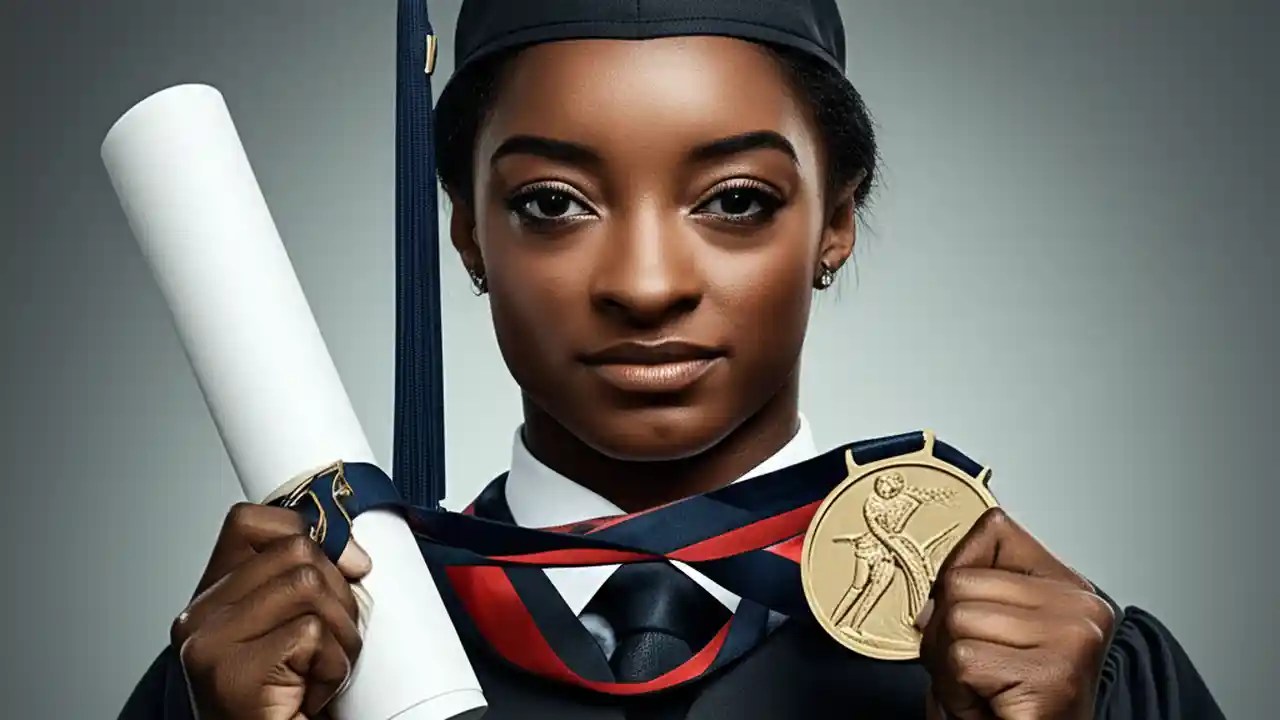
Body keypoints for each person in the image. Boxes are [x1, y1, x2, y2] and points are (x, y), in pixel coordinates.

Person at [120, 1, 1224, 718]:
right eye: (552, 204)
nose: (644, 283)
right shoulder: (296, 670)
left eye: (733, 202)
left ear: (833, 223)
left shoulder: (1070, 673)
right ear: (467, 236)